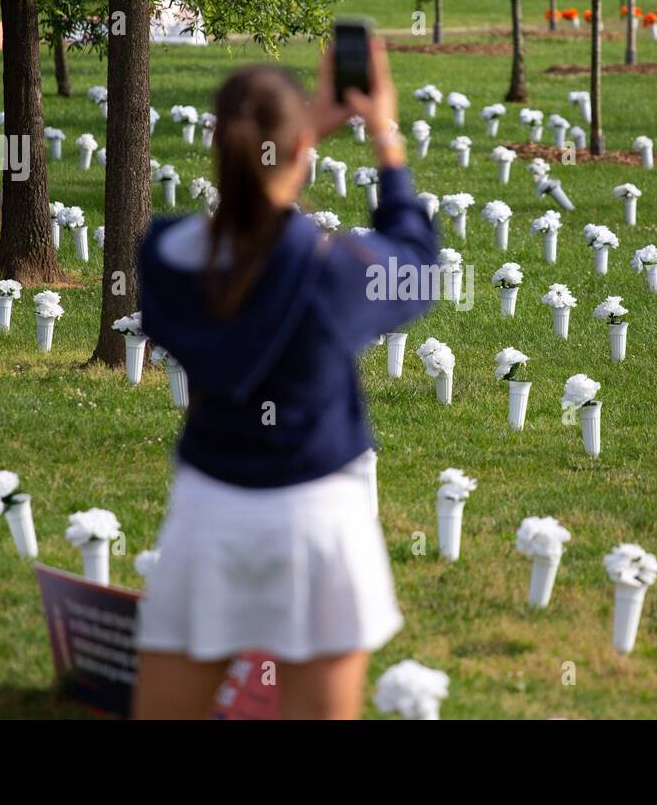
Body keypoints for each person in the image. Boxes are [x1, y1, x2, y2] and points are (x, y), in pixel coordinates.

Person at [132, 39, 437, 719]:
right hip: (318, 518)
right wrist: (383, 136)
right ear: (299, 149)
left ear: (216, 144)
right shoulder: (332, 271)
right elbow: (416, 264)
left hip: (208, 509)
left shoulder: (162, 257)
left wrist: (296, 141)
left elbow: (230, 236)